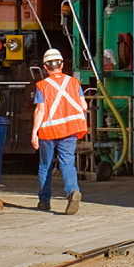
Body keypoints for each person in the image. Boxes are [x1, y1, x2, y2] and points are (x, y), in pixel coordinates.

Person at [31, 48, 87, 214]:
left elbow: (40, 110)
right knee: (67, 163)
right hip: (70, 130)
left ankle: (44, 201)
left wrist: (34, 131)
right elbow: (83, 106)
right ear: (62, 65)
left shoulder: (42, 86)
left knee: (45, 166)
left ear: (45, 67)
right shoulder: (74, 83)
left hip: (48, 131)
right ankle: (72, 192)